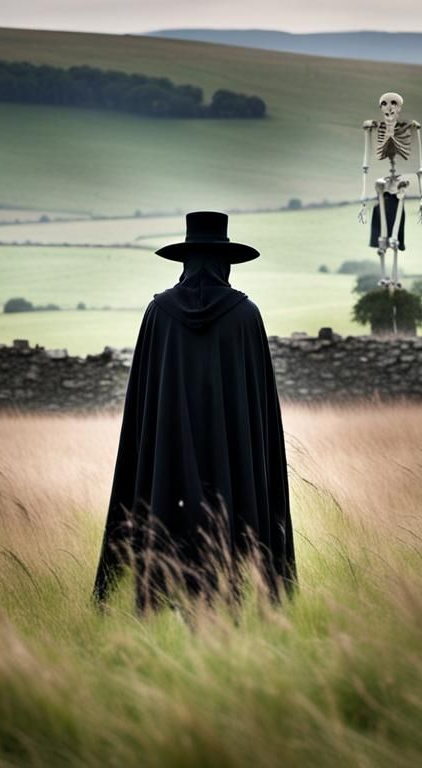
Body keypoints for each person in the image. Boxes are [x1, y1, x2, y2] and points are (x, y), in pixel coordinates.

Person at [92, 211, 296, 610]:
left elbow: (142, 408)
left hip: (168, 457)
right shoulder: (245, 315)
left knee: (165, 495)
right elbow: (261, 413)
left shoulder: (158, 313)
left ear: (185, 261)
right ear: (224, 262)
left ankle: (160, 595)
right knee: (237, 499)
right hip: (234, 464)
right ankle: (238, 595)